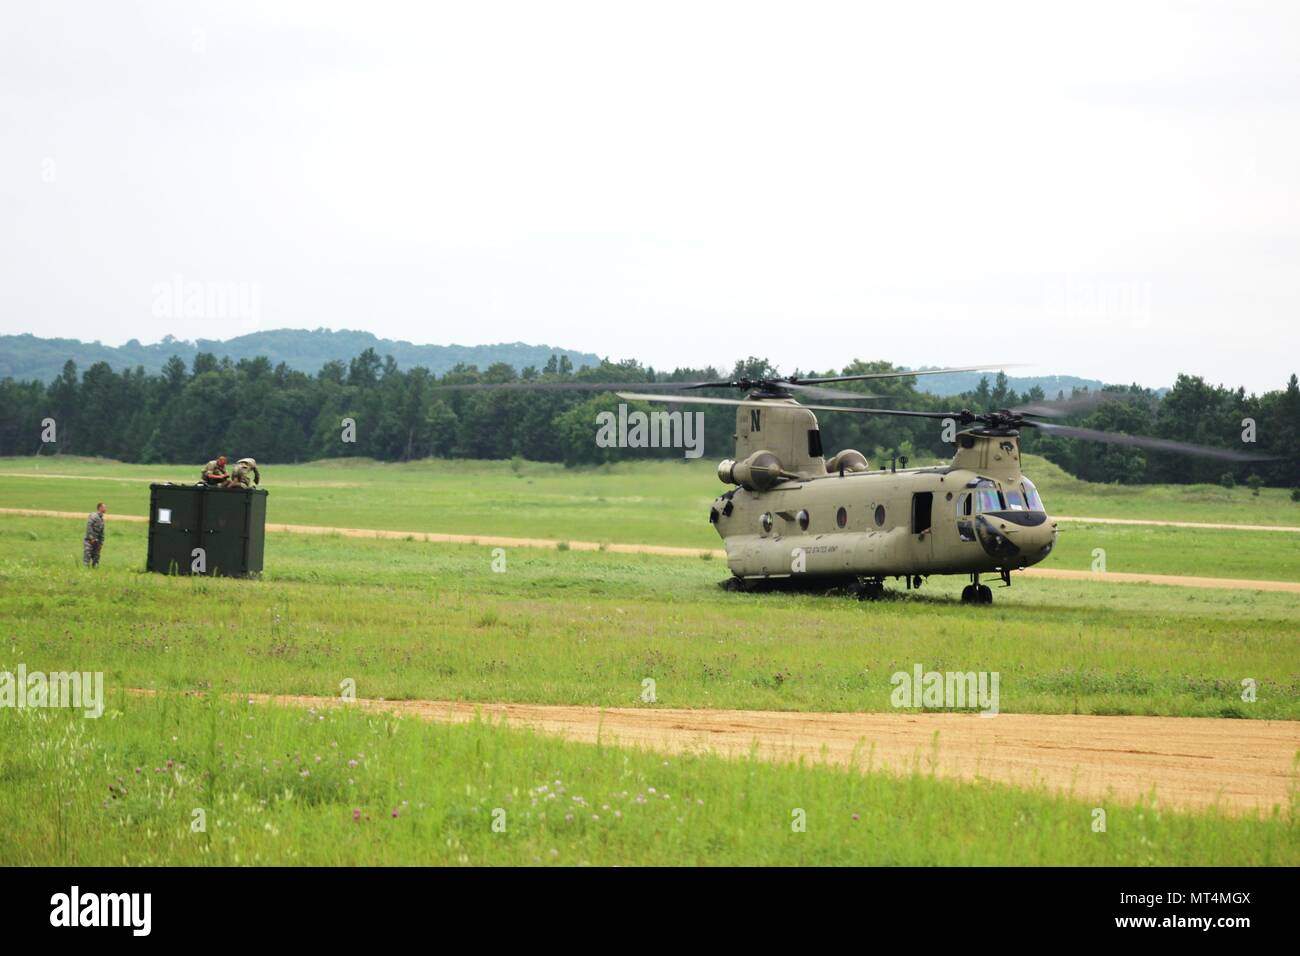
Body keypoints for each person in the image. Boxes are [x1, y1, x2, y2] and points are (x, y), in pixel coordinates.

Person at [83, 502, 106, 567]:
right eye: (104, 507)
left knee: (96, 556)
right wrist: (91, 538)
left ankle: (94, 569)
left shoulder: (101, 519)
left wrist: (101, 542)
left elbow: (102, 532)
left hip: (97, 541)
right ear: (100, 508)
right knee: (87, 555)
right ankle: (85, 569)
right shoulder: (94, 516)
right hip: (90, 540)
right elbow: (89, 527)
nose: (106, 508)